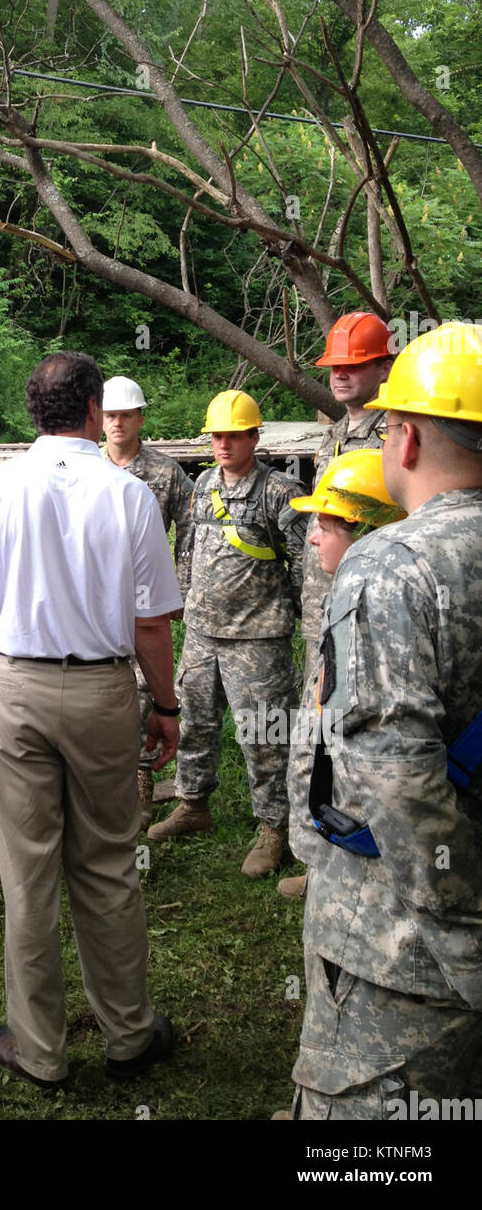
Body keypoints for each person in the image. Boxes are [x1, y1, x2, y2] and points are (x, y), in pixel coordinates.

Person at [0, 351, 182, 1088]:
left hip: (10, 686)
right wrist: (164, 703)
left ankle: (40, 1051)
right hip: (101, 692)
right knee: (109, 864)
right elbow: (149, 622)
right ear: (90, 410)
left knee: (27, 872)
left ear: (30, 413)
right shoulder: (128, 493)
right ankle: (128, 1035)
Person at [289, 321, 482, 1119]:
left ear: (400, 438)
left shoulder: (393, 565)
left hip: (402, 959)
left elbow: (397, 783)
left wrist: (468, 943)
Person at [148, 390, 308, 878]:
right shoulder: (201, 486)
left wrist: (301, 613)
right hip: (202, 633)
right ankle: (193, 803)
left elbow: (301, 558)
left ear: (254, 437)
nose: (223, 444)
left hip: (258, 638)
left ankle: (273, 828)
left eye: (233, 435)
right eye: (216, 435)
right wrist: (186, 594)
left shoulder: (278, 491)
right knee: (193, 722)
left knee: (263, 737)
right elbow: (189, 547)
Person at [278, 450, 404, 901]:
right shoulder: (348, 596)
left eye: (326, 527)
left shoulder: (367, 613)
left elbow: (348, 732)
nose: (313, 540)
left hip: (361, 842)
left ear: (362, 533)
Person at [101, 375, 194, 828]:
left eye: (126, 415)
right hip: (96, 603)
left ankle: (141, 785)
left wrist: (181, 588)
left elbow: (191, 528)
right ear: (100, 420)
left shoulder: (164, 473)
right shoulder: (87, 468)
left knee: (144, 689)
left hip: (144, 601)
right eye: (110, 415)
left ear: (140, 418)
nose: (118, 423)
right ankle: (104, 784)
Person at [300, 312, 393, 683]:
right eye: (335, 365)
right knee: (317, 714)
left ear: (384, 368)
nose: (340, 374)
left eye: (353, 365)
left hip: (368, 604)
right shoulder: (333, 434)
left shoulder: (396, 435)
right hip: (320, 601)